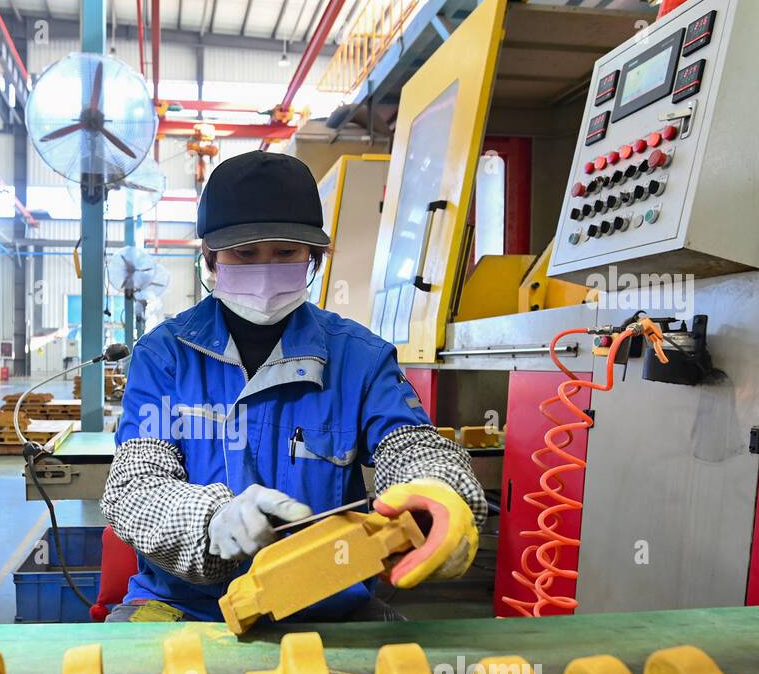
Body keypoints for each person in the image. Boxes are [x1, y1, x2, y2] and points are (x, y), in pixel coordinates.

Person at [100, 151, 485, 623]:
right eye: (245, 254)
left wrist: (438, 491)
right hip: (183, 605)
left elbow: (411, 446)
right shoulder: (164, 356)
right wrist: (209, 521)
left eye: (285, 253)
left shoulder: (358, 357)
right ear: (210, 258)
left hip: (326, 605)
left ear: (314, 257)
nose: (265, 269)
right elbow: (134, 485)